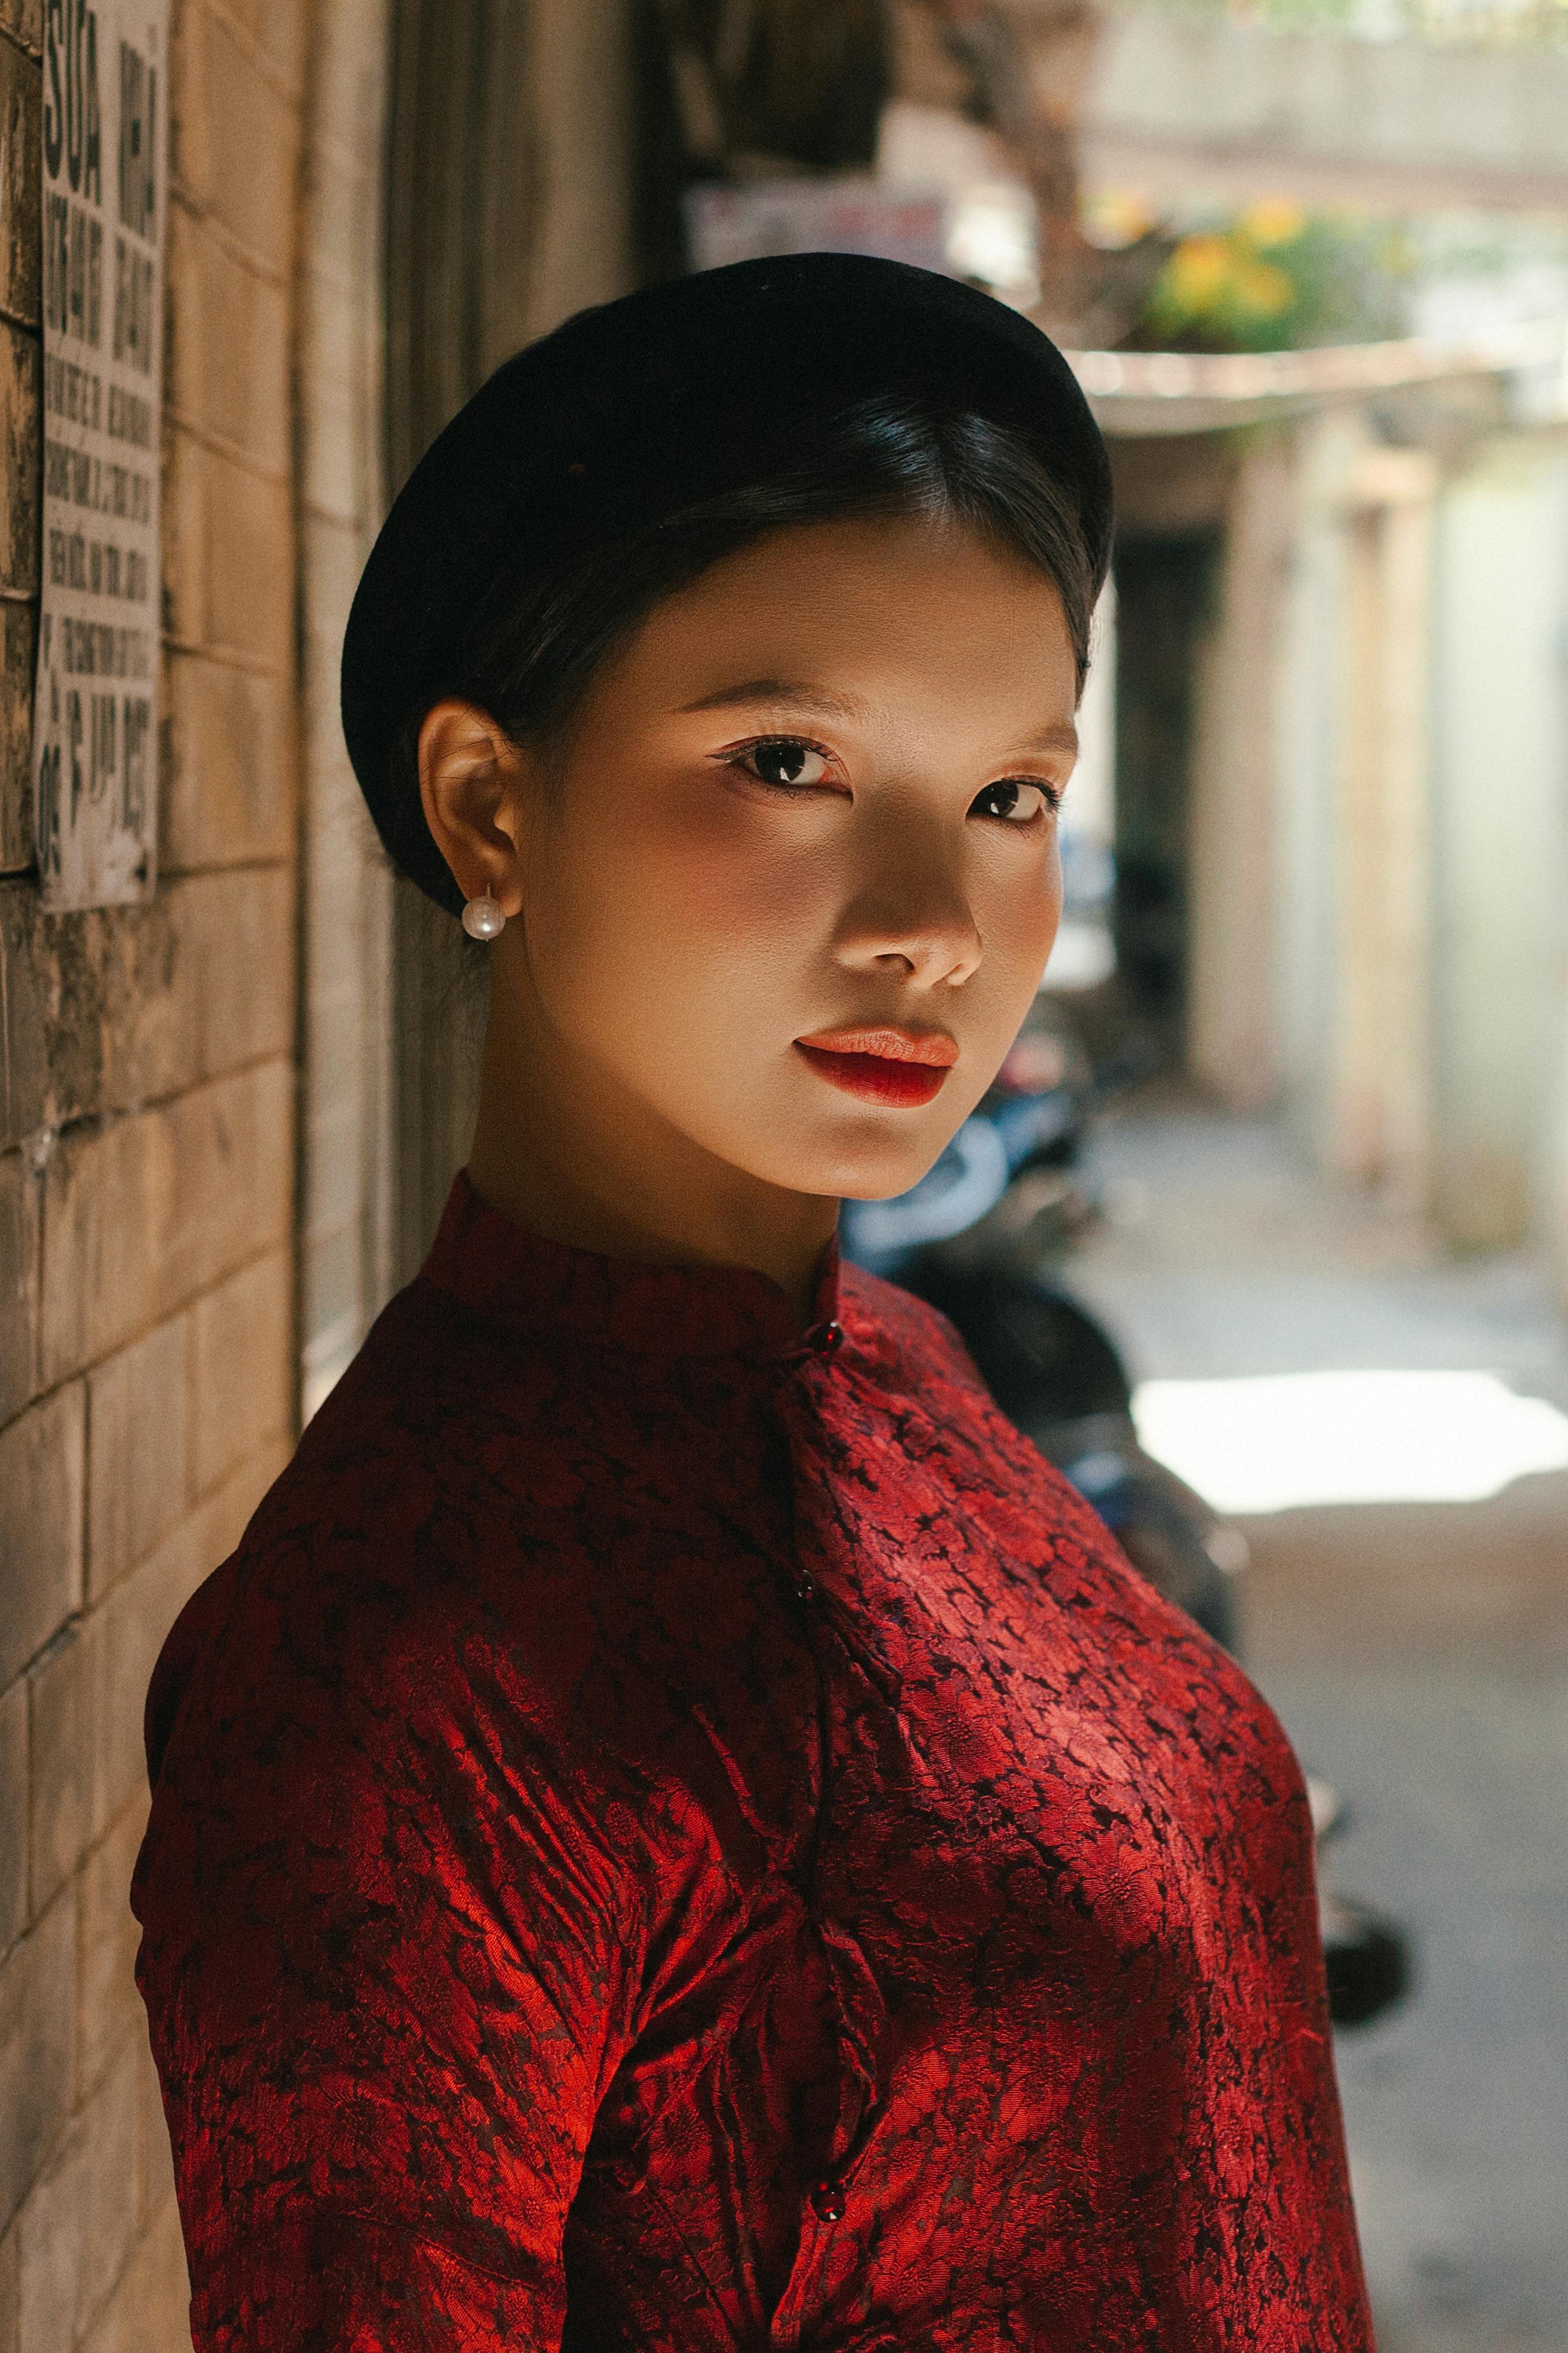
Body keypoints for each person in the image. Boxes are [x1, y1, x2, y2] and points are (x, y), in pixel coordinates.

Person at [132, 255, 1374, 2351]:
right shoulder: (400, 1679)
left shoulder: (903, 1373)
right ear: (489, 804)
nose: (933, 926)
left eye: (1010, 798)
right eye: (789, 761)